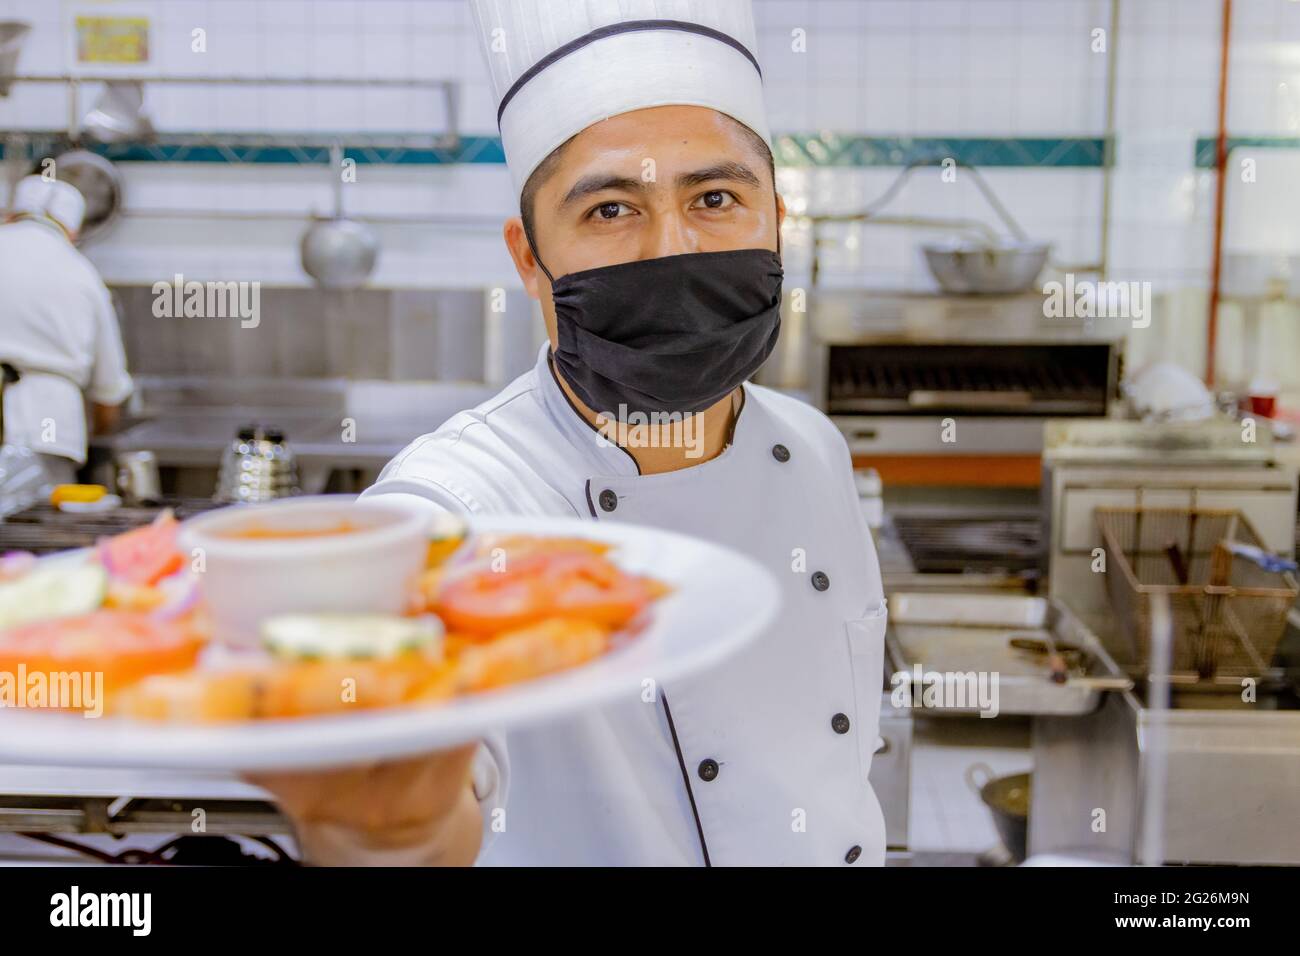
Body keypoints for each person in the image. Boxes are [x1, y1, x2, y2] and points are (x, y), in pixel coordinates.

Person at [254, 0, 888, 867]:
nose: (673, 249)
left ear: (775, 218)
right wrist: (386, 817)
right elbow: (419, 793)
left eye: (714, 197)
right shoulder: (462, 506)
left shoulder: (816, 449)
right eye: (611, 210)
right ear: (528, 259)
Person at [0, 175, 133, 486]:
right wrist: (98, 433)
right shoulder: (82, 274)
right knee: (35, 528)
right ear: (72, 231)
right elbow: (109, 389)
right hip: (48, 425)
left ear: (10, 214)